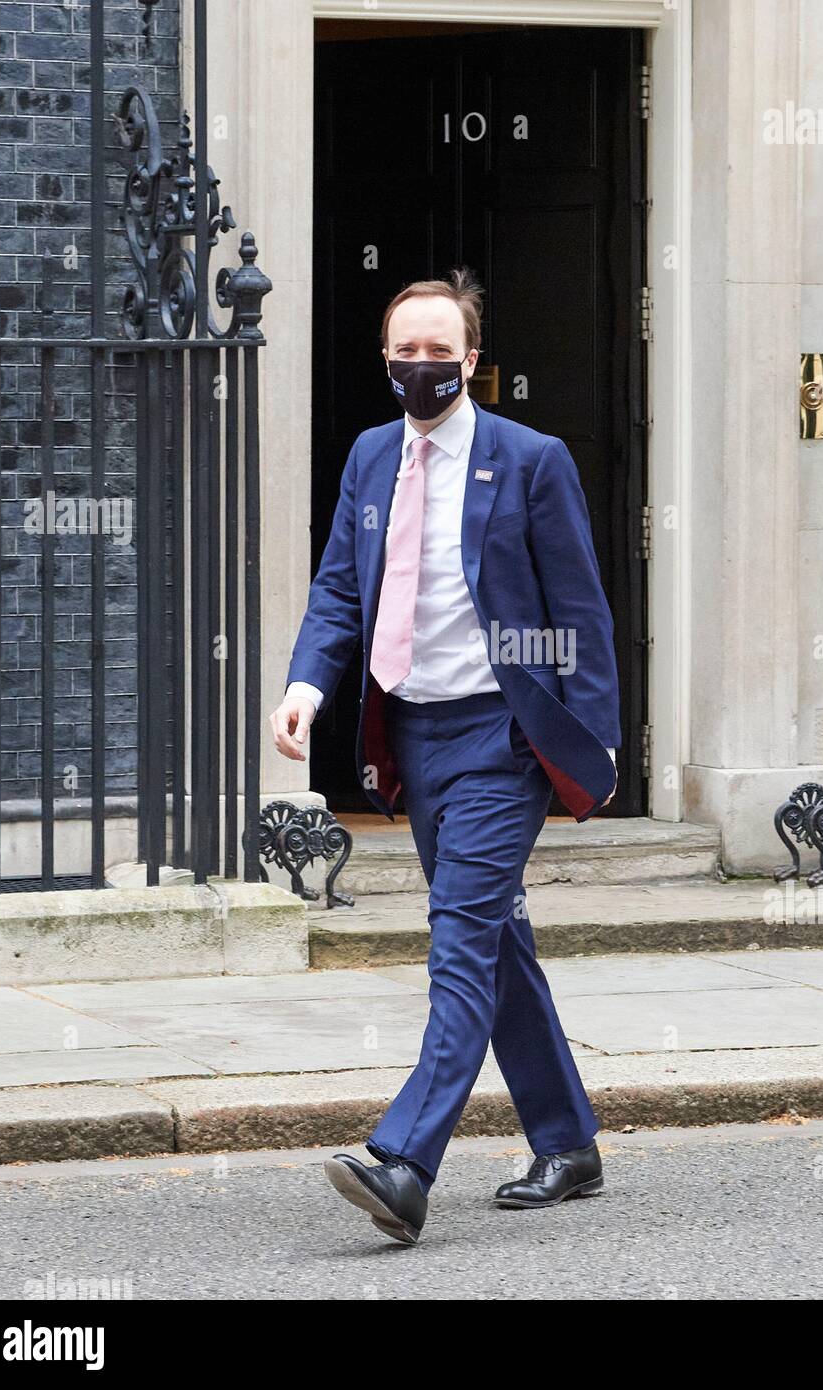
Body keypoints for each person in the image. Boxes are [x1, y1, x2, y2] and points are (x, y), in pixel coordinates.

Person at [271, 268, 620, 1245]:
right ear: (386, 357)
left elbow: (581, 612)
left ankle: (406, 1160)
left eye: (439, 350)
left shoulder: (530, 459)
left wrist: (585, 743)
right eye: (403, 350)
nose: (419, 365)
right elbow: (341, 590)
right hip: (413, 735)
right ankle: (567, 1139)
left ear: (472, 360)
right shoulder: (372, 457)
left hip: (500, 739)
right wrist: (304, 688)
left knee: (460, 938)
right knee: (497, 937)